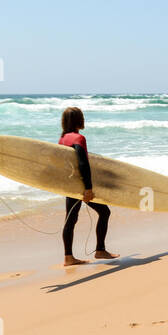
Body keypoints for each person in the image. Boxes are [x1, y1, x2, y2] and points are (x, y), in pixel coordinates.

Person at [58, 106, 116, 265]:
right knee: (104, 212)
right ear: (80, 120)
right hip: (81, 185)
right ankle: (100, 250)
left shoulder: (62, 139)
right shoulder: (79, 138)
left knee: (70, 220)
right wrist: (88, 188)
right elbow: (83, 164)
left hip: (69, 185)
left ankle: (68, 257)